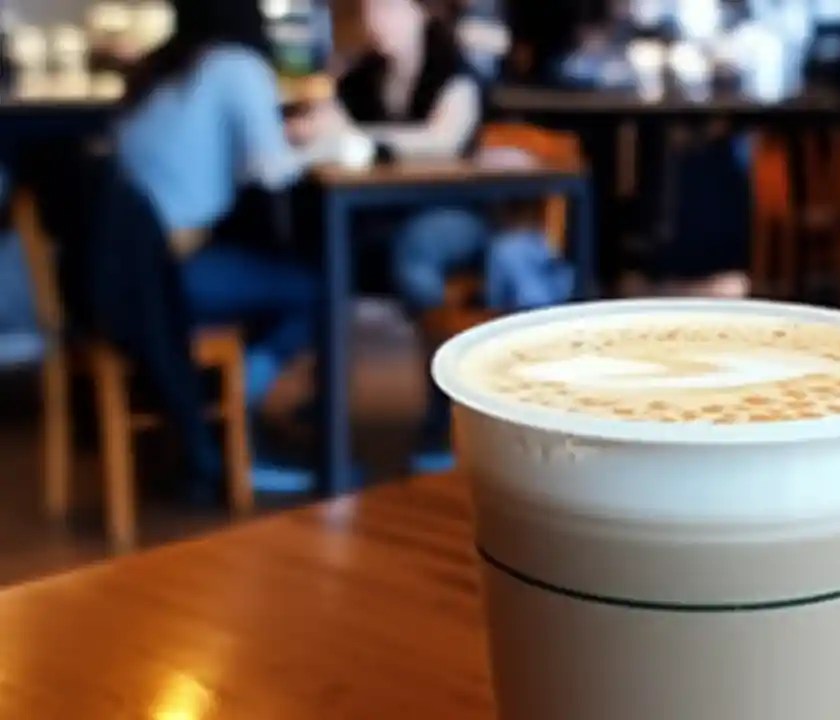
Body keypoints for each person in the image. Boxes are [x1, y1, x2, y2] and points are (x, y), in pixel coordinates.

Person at [297, 0, 572, 472]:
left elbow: (440, 141)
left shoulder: (453, 73)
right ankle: (330, 407)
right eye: (369, 12)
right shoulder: (364, 74)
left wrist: (364, 140)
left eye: (386, 10)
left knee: (415, 249)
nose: (375, 21)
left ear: (420, 12)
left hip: (461, 213)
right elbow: (331, 122)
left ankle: (440, 398)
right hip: (386, 212)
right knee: (323, 252)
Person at [116, 0, 323, 492]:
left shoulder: (162, 69)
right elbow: (273, 171)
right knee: (319, 285)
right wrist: (332, 145)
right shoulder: (237, 66)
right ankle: (233, 429)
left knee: (272, 276)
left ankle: (217, 419)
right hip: (172, 275)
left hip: (123, 277)